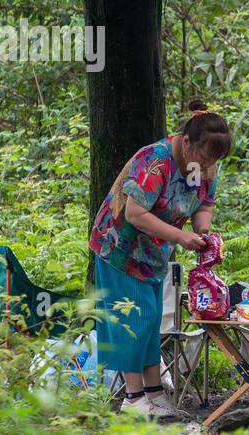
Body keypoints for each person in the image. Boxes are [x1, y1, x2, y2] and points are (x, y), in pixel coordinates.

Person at [89, 101, 231, 417]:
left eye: (216, 159)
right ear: (187, 141)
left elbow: (203, 205)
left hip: (154, 252)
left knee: (153, 318)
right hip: (120, 248)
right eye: (206, 155)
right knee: (133, 318)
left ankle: (155, 395)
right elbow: (135, 213)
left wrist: (203, 232)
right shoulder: (155, 161)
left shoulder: (205, 166)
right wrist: (181, 237)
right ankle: (133, 397)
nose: (209, 164)